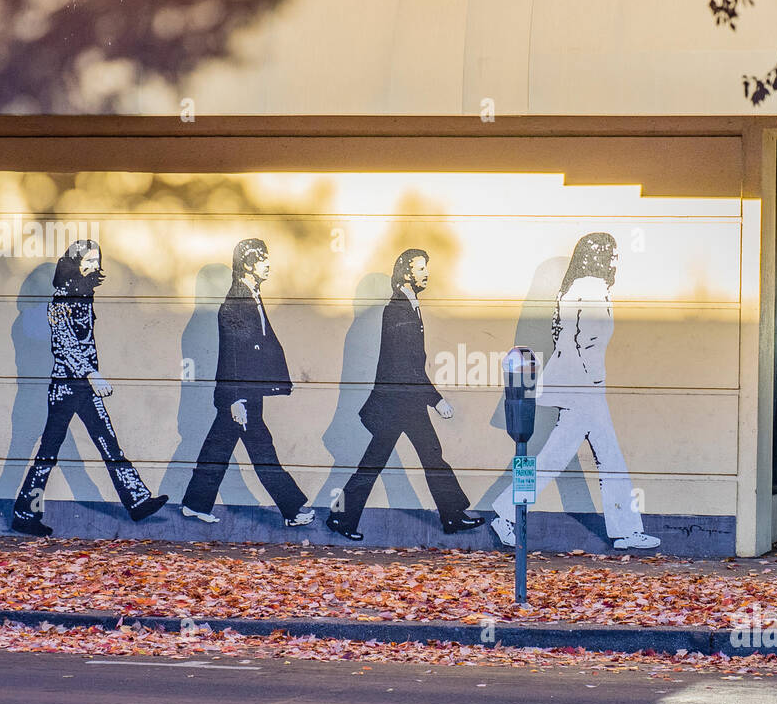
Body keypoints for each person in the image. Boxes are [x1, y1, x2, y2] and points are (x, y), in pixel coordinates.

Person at [488, 232, 659, 551]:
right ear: (597, 257)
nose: (615, 259)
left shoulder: (575, 288)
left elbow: (565, 336)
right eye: (611, 252)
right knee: (575, 459)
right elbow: (587, 340)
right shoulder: (591, 289)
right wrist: (593, 379)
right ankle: (506, 514)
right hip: (584, 387)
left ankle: (624, 530)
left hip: (580, 386)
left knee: (599, 457)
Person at [12, 239, 167, 536]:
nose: (95, 266)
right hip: (66, 387)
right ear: (74, 264)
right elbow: (65, 346)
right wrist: (92, 375)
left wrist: (89, 376)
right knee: (48, 452)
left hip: (81, 387)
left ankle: (137, 500)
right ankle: (24, 513)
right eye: (89, 261)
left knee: (109, 443)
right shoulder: (60, 301)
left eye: (97, 260)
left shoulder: (84, 296)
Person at [327, 248, 483, 540]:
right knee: (381, 462)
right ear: (406, 273)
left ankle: (451, 516)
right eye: (421, 267)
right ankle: (340, 519)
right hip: (396, 403)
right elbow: (403, 365)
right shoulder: (398, 309)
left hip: (405, 401)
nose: (426, 273)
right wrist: (436, 399)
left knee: (428, 456)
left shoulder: (409, 306)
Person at [180, 237, 314, 527]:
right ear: (249, 264)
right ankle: (291, 510)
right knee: (263, 451)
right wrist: (234, 399)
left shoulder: (251, 296)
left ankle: (194, 503)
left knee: (217, 449)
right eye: (263, 258)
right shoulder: (237, 303)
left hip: (247, 391)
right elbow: (233, 356)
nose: (268, 264)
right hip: (241, 394)